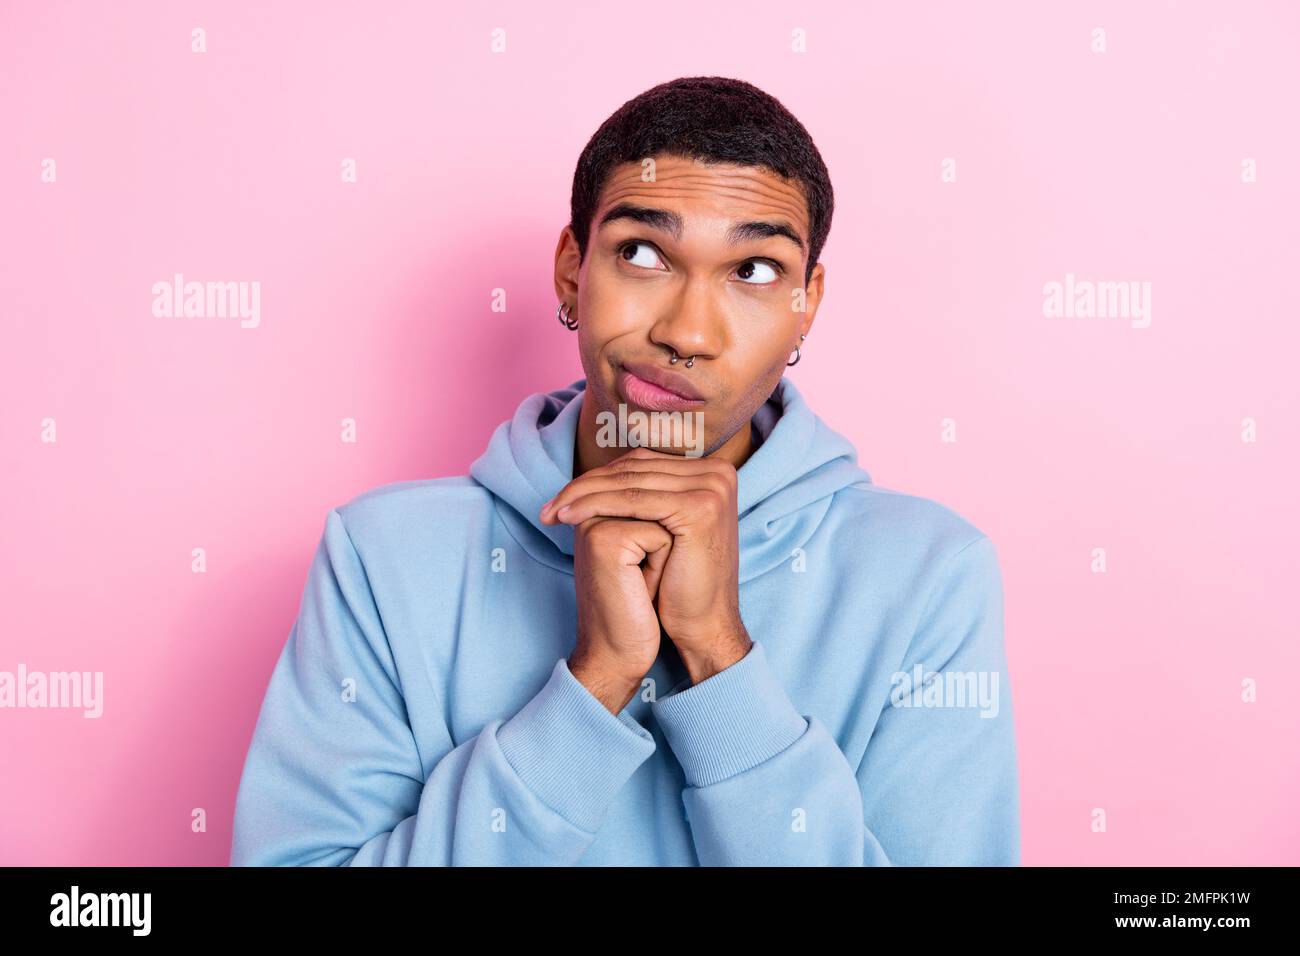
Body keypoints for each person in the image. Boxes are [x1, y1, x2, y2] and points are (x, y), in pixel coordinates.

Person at [230, 76, 1020, 866]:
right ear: (573, 269)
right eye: (642, 254)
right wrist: (593, 684)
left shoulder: (928, 574)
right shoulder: (383, 556)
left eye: (753, 271)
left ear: (806, 304)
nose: (687, 332)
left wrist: (719, 657)